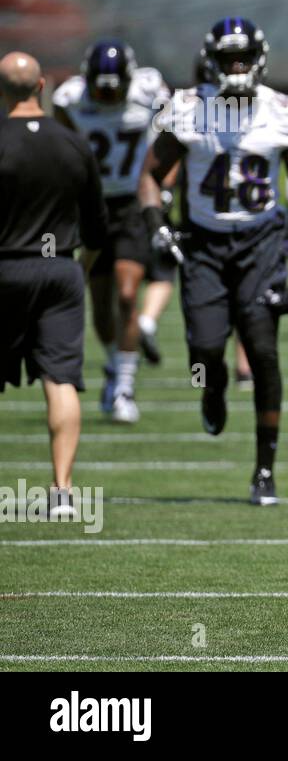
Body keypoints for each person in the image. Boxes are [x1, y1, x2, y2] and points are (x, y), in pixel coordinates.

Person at [139, 16, 288, 505]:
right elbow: (151, 175)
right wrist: (157, 222)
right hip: (204, 243)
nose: (235, 66)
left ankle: (265, 469)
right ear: (212, 60)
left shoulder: (283, 110)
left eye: (243, 57)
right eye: (227, 58)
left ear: (259, 58)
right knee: (204, 348)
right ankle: (212, 387)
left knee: (262, 352)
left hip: (261, 242)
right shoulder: (186, 107)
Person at [0, 52, 106, 515]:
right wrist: (78, 268)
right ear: (42, 84)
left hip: (6, 269)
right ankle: (62, 491)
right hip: (61, 269)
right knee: (60, 379)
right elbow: (99, 228)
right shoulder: (73, 143)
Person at [51, 39, 169, 423]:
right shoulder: (69, 99)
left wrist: (161, 185)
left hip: (132, 204)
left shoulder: (150, 92)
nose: (106, 94)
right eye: (100, 87)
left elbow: (172, 138)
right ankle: (115, 363)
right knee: (100, 306)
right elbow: (64, 144)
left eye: (113, 86)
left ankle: (123, 386)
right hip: (93, 205)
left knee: (126, 294)